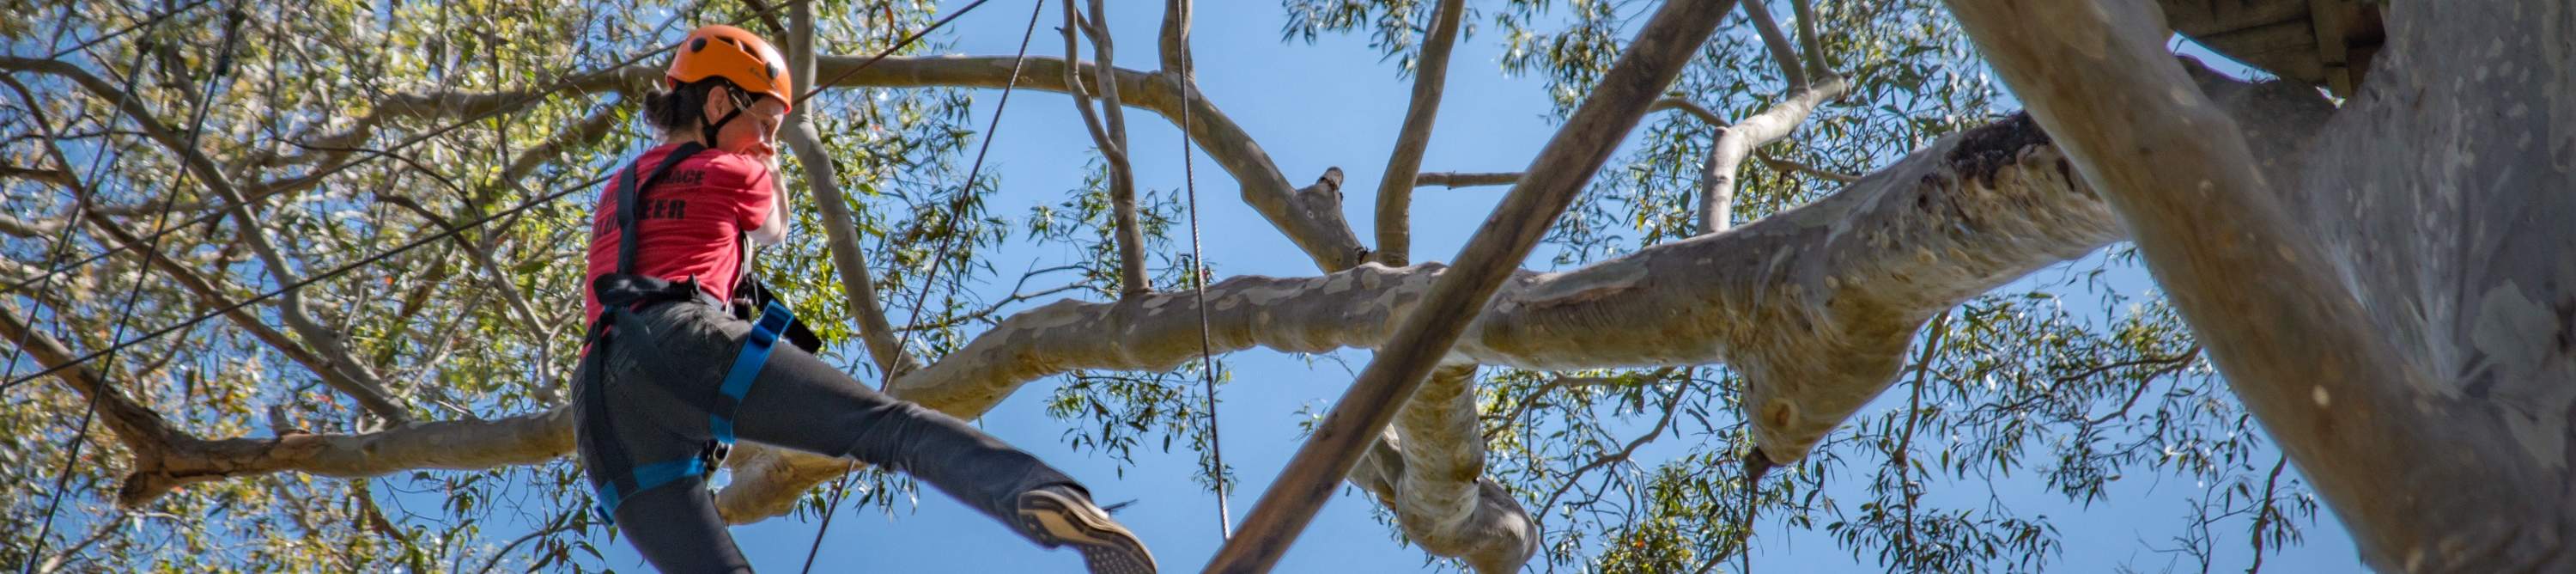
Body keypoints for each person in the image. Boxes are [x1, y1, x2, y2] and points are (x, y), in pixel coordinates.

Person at [572, 24, 1157, 573]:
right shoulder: (734, 168)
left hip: (599, 414)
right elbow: (775, 228)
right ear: (720, 105)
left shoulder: (613, 191)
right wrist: (769, 161)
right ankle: (1044, 493)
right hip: (681, 342)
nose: (768, 142)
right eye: (767, 123)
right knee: (889, 430)